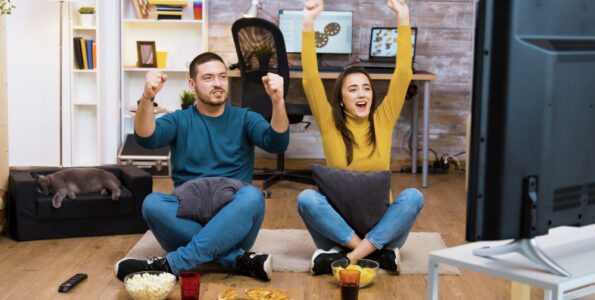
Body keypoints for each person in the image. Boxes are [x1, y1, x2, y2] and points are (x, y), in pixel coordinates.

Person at [114, 52, 291, 281]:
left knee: (253, 197)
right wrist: (147, 98)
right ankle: (234, 259)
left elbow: (278, 142)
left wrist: (278, 101)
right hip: (186, 218)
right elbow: (146, 138)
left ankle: (171, 264)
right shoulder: (179, 120)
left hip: (234, 221)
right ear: (192, 84)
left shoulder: (245, 118)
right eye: (208, 78)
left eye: (222, 76)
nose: (217, 83)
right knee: (152, 204)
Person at [297, 0, 424, 275]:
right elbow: (309, 79)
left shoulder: (383, 119)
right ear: (341, 100)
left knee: (413, 196)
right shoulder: (330, 121)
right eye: (353, 89)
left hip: (382, 229)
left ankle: (349, 257)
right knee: (306, 198)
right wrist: (308, 24)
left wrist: (403, 17)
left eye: (366, 88)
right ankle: (369, 253)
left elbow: (403, 74)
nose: (362, 94)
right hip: (337, 230)